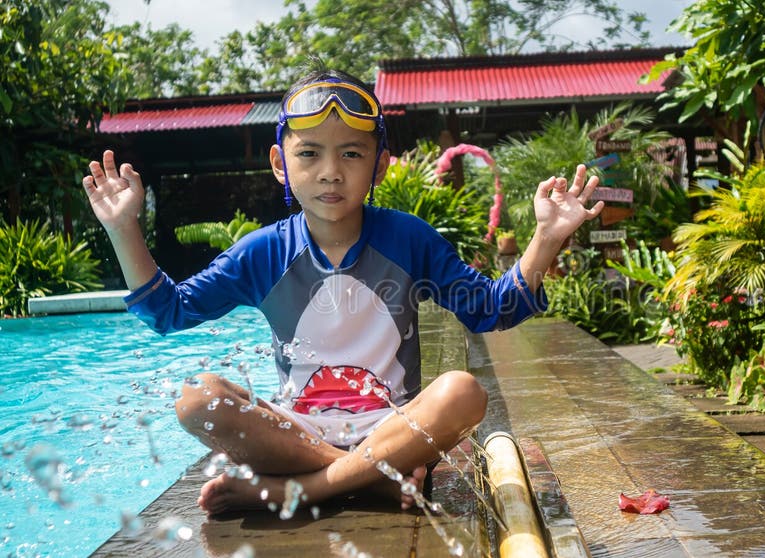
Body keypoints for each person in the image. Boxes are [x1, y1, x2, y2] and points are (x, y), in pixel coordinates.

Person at [82, 66, 604, 516]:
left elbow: (491, 309)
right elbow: (168, 311)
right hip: (298, 433)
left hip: (395, 430)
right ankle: (366, 479)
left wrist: (546, 238)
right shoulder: (263, 252)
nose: (330, 173)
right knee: (197, 398)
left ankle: (301, 491)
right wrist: (124, 230)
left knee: (464, 392)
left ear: (379, 164)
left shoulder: (408, 239)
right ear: (280, 163)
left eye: (351, 154)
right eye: (309, 153)